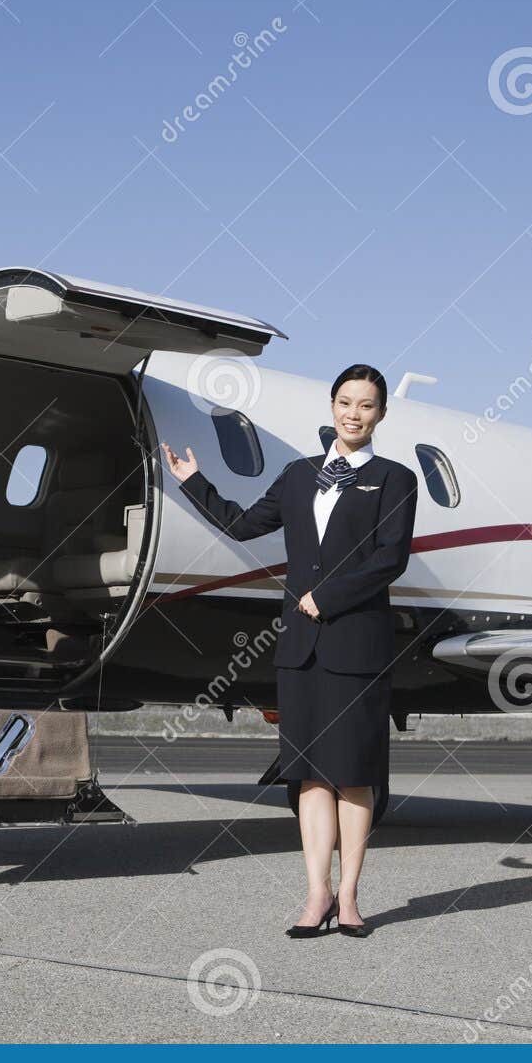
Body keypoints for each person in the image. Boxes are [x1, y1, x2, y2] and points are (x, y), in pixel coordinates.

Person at [162, 365, 418, 938]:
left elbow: (389, 558)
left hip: (357, 644)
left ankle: (350, 898)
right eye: (346, 402)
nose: (355, 413)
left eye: (367, 405)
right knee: (308, 776)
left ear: (381, 414)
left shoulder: (394, 479)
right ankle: (315, 896)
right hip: (301, 649)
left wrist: (324, 598)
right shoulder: (299, 476)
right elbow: (244, 524)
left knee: (353, 776)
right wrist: (192, 482)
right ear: (332, 407)